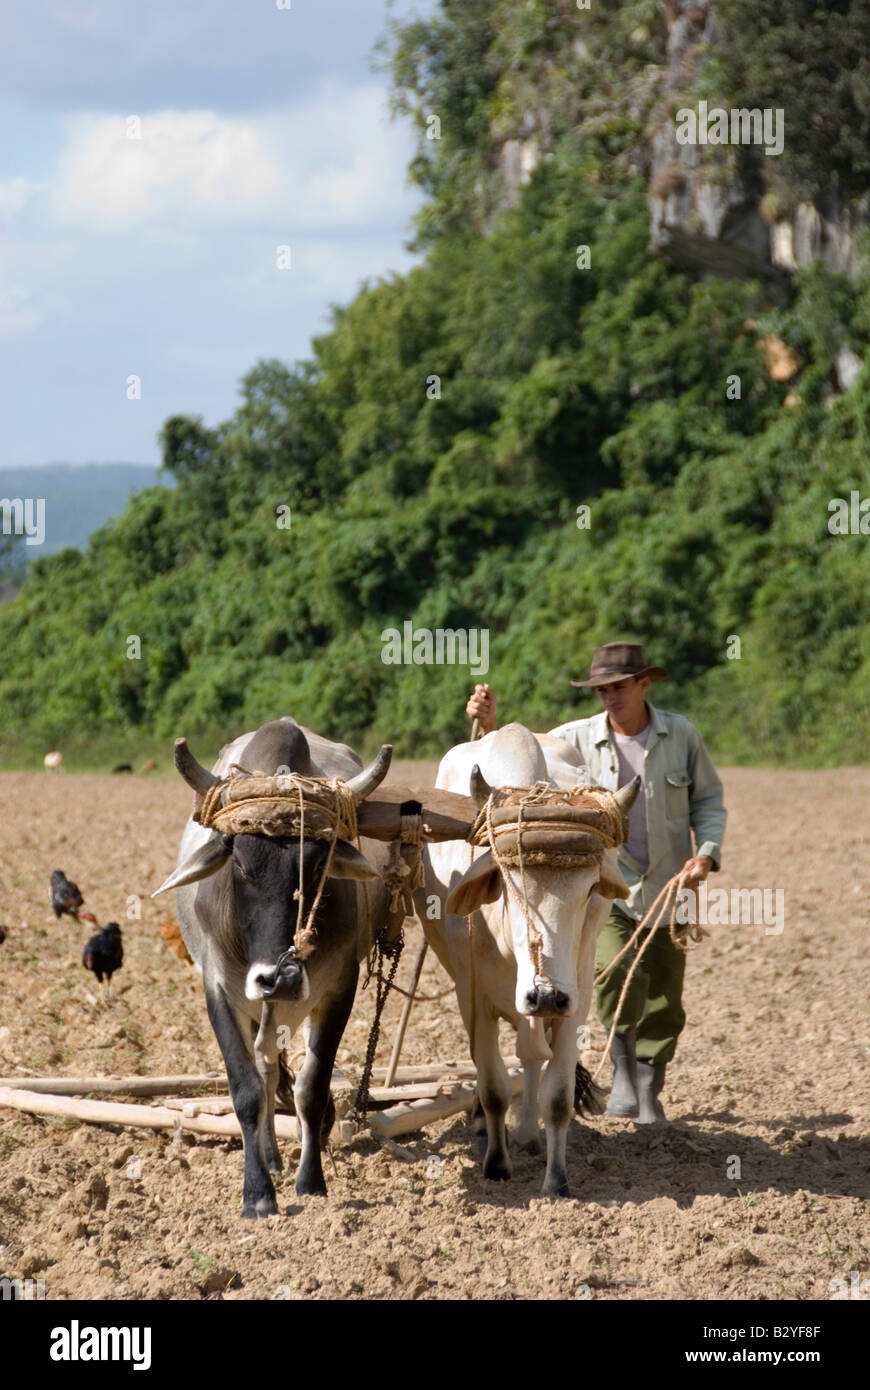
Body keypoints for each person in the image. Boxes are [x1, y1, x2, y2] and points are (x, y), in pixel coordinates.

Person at [465, 641, 726, 1123]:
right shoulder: (574, 739)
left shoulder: (682, 735)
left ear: (645, 683)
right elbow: (524, 757)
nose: (610, 696)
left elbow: (708, 801)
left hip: (672, 886)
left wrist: (706, 857)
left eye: (619, 686)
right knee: (606, 979)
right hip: (599, 886)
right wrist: (491, 721)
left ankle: (650, 1087)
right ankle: (624, 1080)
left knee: (666, 994)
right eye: (602, 689)